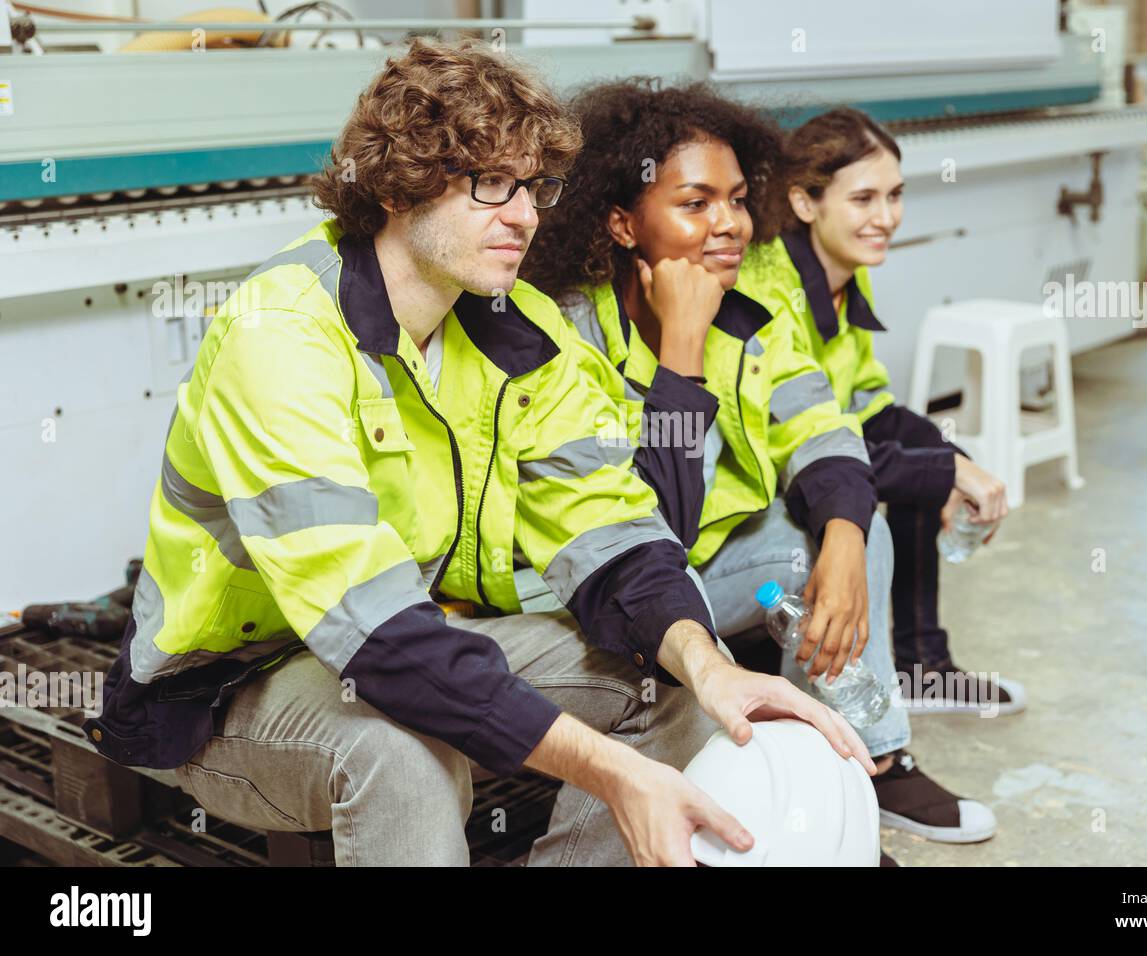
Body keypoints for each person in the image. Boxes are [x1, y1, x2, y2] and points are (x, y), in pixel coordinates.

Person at [81, 42, 873, 868]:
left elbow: (610, 522)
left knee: (668, 684)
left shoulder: (515, 326)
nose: (526, 215)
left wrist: (710, 670)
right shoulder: (282, 336)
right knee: (405, 756)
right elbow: (375, 632)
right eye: (492, 184)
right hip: (226, 690)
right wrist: (610, 770)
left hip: (408, 634)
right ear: (395, 186)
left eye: (534, 187)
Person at [524, 81, 998, 845]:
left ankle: (861, 777)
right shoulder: (566, 333)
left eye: (739, 200)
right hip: (604, 595)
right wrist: (679, 351)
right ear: (620, 221)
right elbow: (650, 530)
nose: (731, 224)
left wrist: (846, 535)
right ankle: (807, 801)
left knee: (848, 526)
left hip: (707, 572)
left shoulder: (747, 319)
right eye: (696, 203)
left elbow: (826, 428)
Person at [738, 107, 1026, 716]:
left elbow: (868, 405)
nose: (887, 218)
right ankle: (868, 719)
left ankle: (924, 666)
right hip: (770, 474)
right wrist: (944, 472)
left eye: (895, 196)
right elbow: (792, 437)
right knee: (918, 475)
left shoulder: (842, 271)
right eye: (864, 199)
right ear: (805, 201)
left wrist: (952, 460)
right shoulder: (765, 286)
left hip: (824, 447)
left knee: (927, 452)